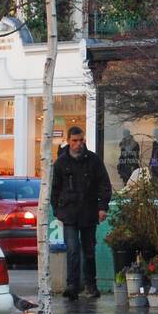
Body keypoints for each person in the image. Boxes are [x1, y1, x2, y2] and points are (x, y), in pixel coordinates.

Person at [50, 125, 112, 300]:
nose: (78, 144)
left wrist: (102, 207)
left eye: (81, 140)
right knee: (72, 250)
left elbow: (104, 185)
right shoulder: (61, 163)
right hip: (69, 213)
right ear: (69, 141)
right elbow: (54, 189)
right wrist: (57, 210)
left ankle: (91, 285)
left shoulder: (93, 160)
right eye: (74, 141)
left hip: (88, 211)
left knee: (88, 250)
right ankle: (73, 285)